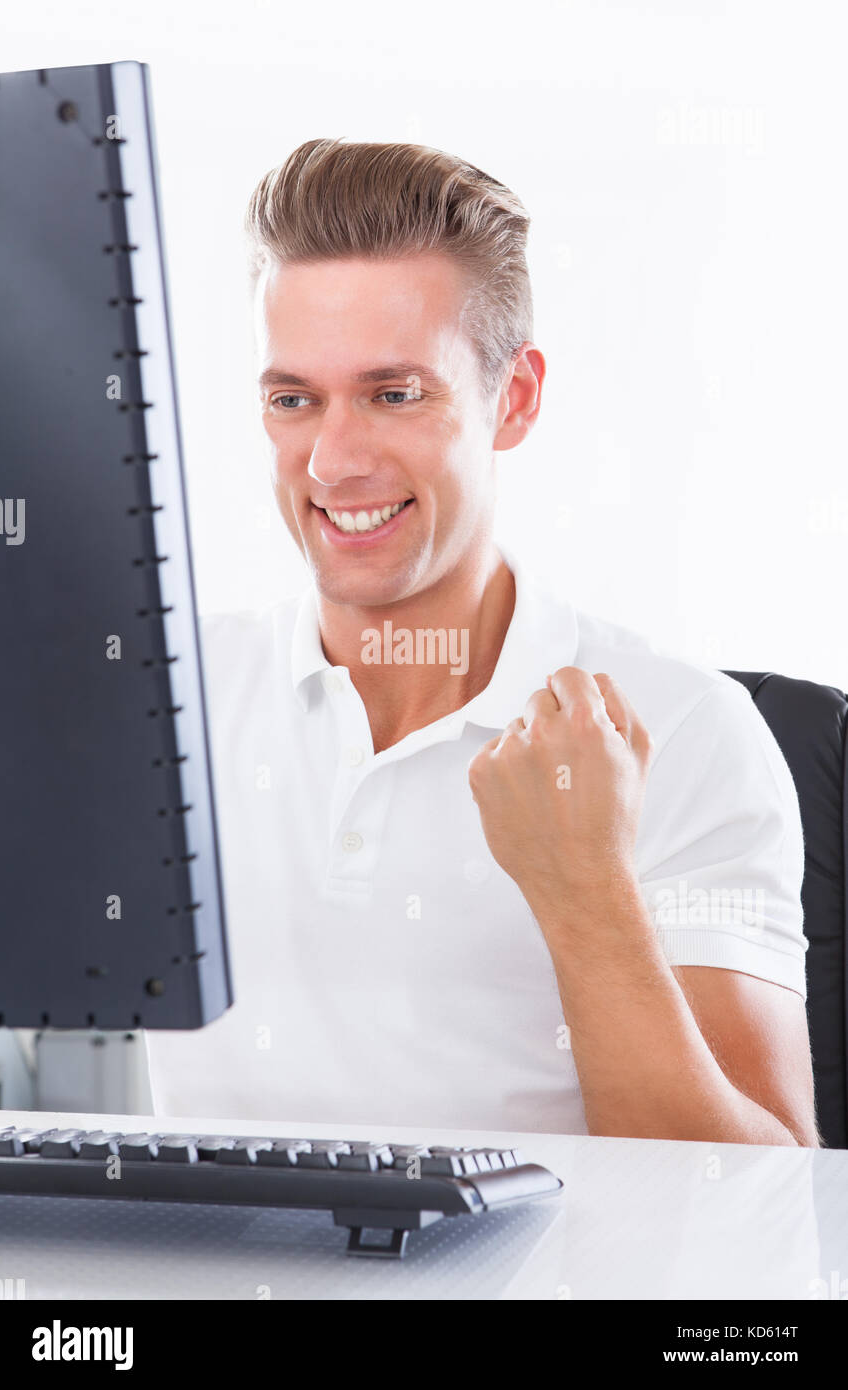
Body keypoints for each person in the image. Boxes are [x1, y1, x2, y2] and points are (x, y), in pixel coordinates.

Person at [145, 139, 818, 1144]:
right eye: (293, 399)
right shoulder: (159, 704)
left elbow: (763, 1209)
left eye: (393, 393)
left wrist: (586, 891)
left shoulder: (682, 730)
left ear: (514, 398)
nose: (331, 461)